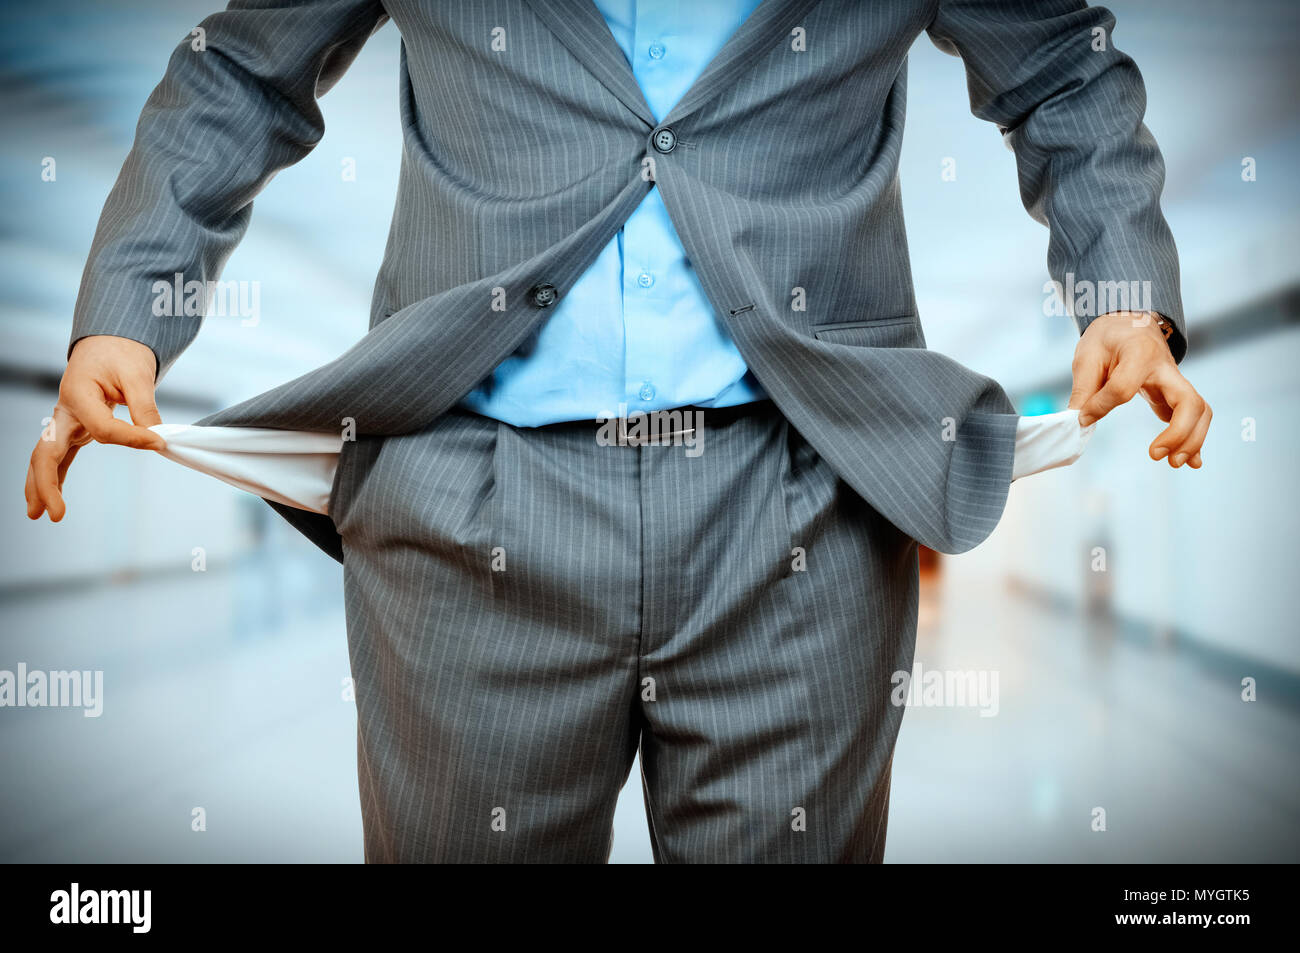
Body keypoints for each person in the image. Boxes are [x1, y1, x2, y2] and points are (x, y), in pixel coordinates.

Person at [24, 0, 1210, 863]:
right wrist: (128, 309)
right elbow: (243, 68)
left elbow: (1057, 64)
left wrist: (1123, 285)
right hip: (462, 499)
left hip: (804, 502)